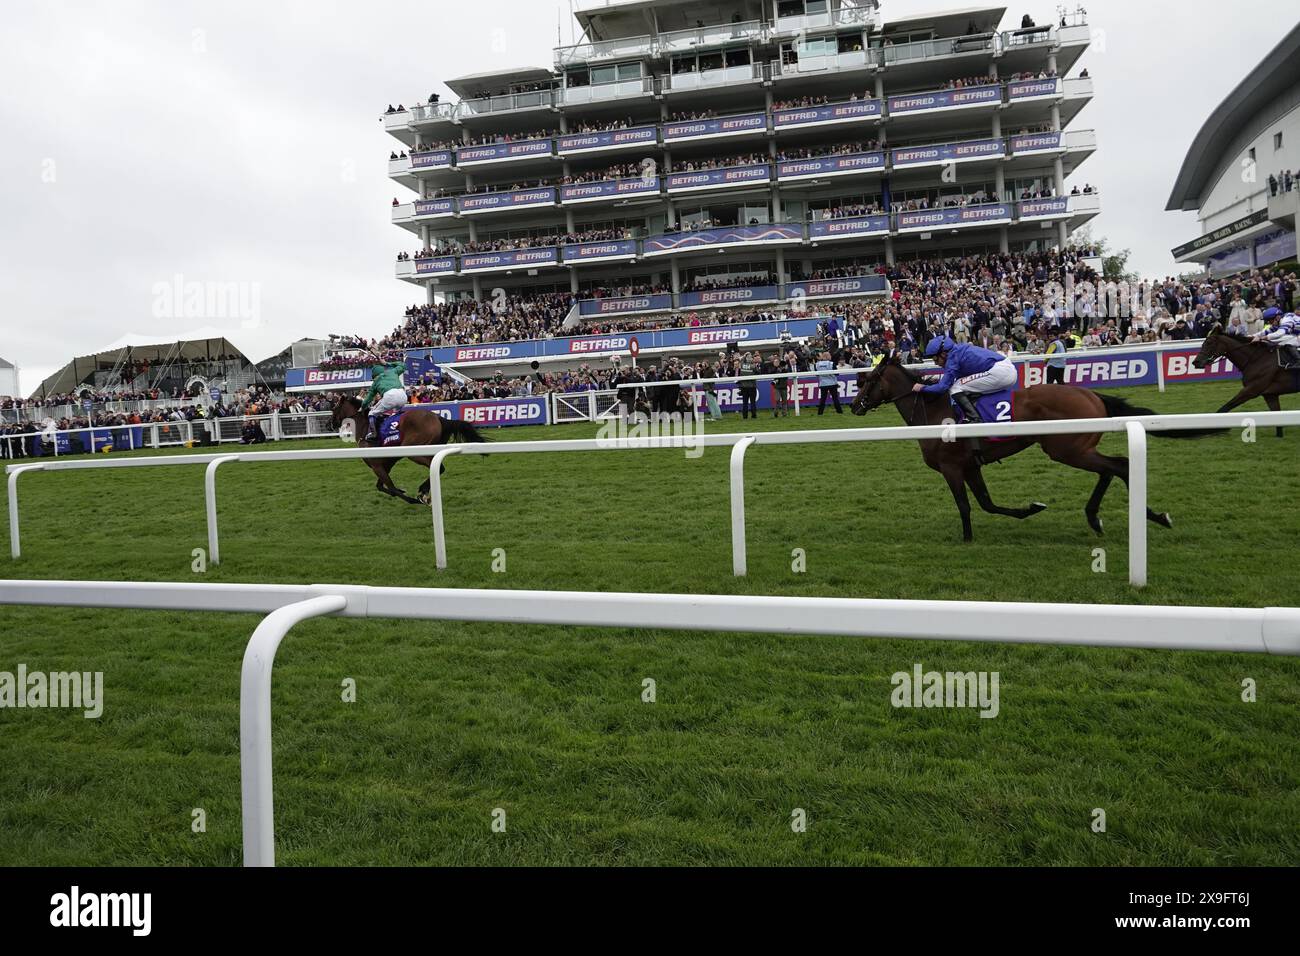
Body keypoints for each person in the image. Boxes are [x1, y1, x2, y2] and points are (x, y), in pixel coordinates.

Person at [915, 335, 1016, 424]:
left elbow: (942, 387)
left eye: (935, 359)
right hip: (1007, 369)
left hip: (1000, 372)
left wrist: (923, 388)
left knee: (955, 388)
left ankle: (975, 419)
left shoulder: (953, 358)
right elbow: (954, 378)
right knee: (961, 384)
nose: (936, 363)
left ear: (943, 354)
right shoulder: (958, 350)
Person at [362, 360, 409, 442]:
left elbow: (368, 399)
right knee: (396, 414)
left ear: (375, 376)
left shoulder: (376, 382)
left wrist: (362, 407)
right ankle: (397, 431)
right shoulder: (392, 371)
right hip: (403, 396)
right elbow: (403, 365)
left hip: (389, 396)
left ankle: (374, 434)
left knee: (372, 413)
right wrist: (387, 363)